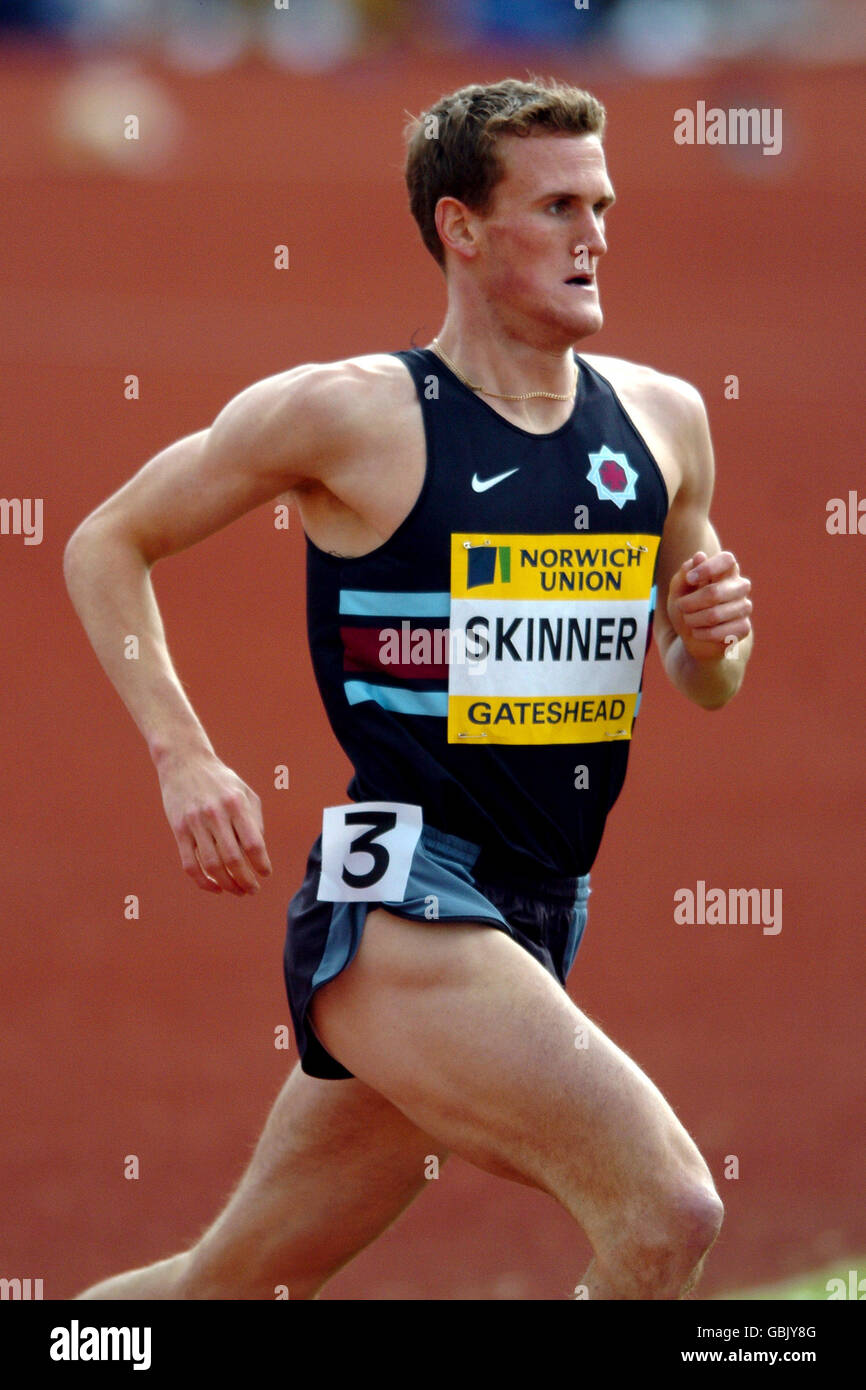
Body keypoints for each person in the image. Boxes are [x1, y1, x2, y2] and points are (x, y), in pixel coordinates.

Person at [64, 76, 753, 1301]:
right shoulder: (351, 414)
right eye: (555, 206)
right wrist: (184, 754)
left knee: (223, 1290)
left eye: (600, 203)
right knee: (666, 1209)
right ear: (460, 228)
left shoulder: (663, 423)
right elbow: (106, 541)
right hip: (401, 907)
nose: (594, 234)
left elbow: (704, 681)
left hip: (543, 909)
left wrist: (703, 639)